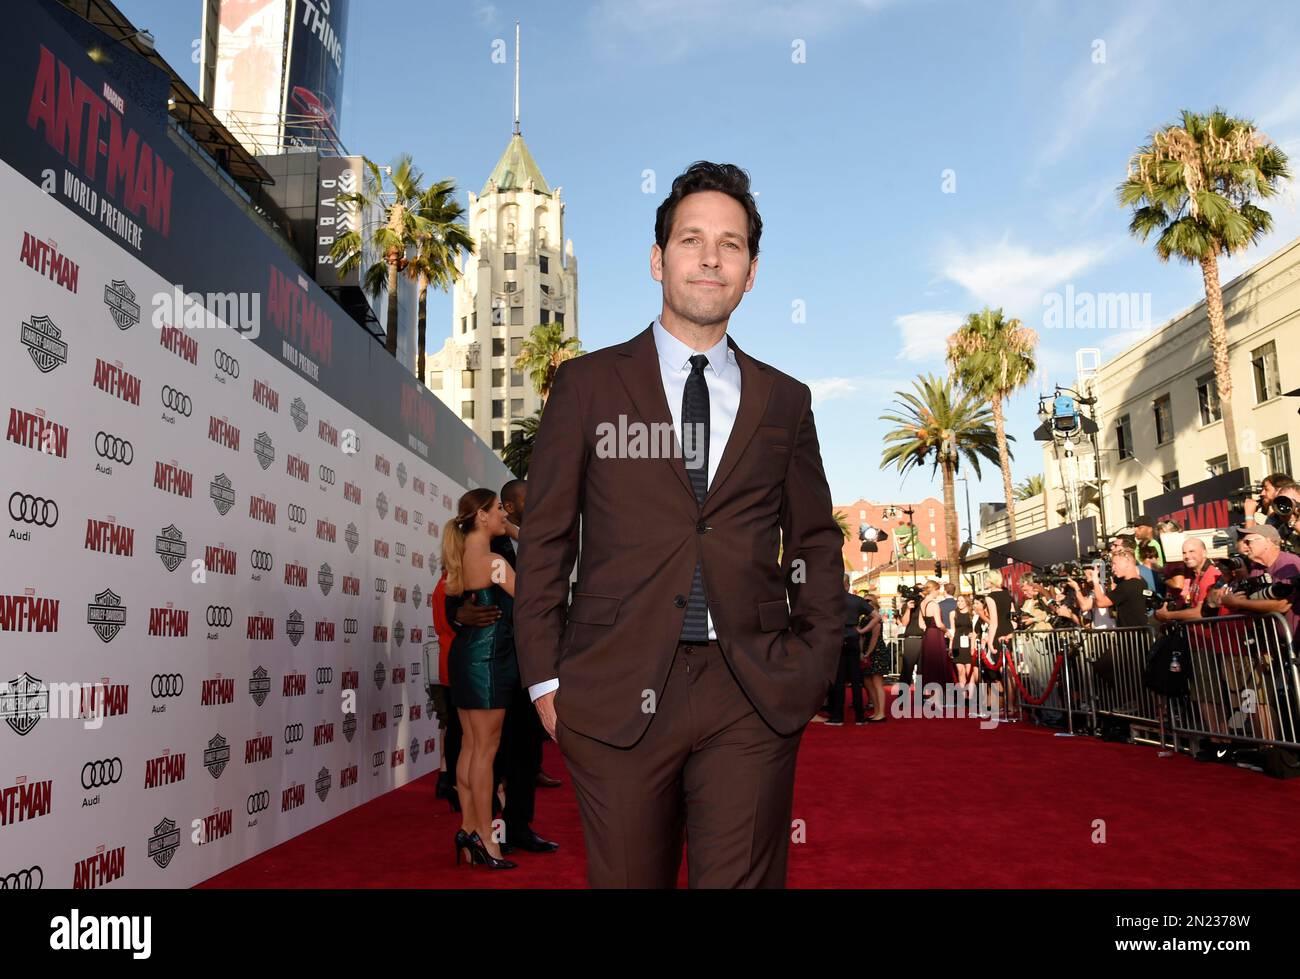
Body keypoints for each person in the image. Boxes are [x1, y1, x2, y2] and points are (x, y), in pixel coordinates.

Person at [514, 161, 843, 889]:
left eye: (731, 244)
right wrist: (543, 680)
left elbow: (815, 541)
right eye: (692, 239)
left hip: (751, 689)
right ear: (659, 259)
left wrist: (814, 659)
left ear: (751, 271)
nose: (711, 257)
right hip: (615, 683)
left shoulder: (785, 401)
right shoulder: (588, 385)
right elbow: (545, 540)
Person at [444, 489, 519, 871]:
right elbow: (529, 602)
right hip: (489, 661)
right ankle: (487, 839)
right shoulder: (493, 563)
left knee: (470, 748)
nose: (503, 514)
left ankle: (467, 828)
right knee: (485, 754)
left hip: (465, 658)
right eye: (498, 510)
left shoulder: (458, 559)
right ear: (482, 517)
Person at [827, 577, 875, 726]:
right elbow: (877, 617)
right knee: (856, 679)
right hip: (853, 637)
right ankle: (860, 717)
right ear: (848, 585)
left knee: (838, 680)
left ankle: (837, 717)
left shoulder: (829, 600)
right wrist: (861, 630)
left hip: (837, 638)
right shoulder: (857, 600)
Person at [1079, 549, 1149, 630]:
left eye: (1115, 564)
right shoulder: (1142, 581)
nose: (1113, 568)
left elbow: (1101, 603)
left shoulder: (1127, 585)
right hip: (1138, 633)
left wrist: (1095, 582)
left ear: (1127, 562)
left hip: (1131, 636)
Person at [860, 593, 889, 721]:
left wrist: (867, 653)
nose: (867, 603)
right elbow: (861, 637)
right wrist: (861, 652)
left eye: (869, 601)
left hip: (877, 651)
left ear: (875, 603)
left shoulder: (876, 618)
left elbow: (874, 638)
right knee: (867, 682)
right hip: (866, 651)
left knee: (877, 682)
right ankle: (876, 711)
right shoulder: (864, 618)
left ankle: (881, 712)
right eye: (864, 601)